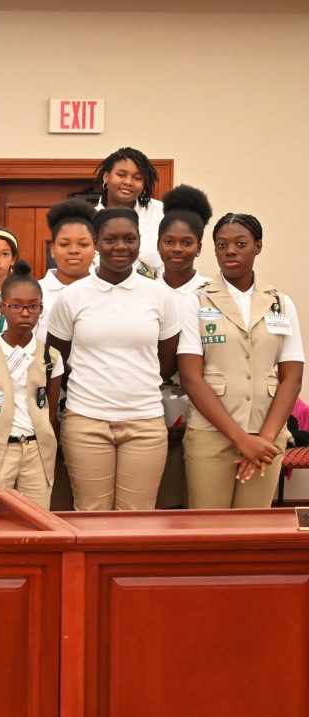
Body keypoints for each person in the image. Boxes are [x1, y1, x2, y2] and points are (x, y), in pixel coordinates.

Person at [46, 207, 181, 511]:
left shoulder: (159, 296)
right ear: (96, 242)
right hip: (86, 421)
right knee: (91, 516)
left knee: (137, 520)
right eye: (110, 239)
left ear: (138, 241)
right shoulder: (73, 296)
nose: (121, 246)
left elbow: (167, 362)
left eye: (129, 239)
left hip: (145, 423)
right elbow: (56, 360)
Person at [179, 212, 304, 509]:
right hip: (211, 434)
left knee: (253, 530)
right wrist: (241, 439)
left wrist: (264, 439)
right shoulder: (196, 300)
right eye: (221, 245)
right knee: (208, 532)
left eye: (240, 243)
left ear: (258, 246)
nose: (230, 251)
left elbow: (292, 377)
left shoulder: (280, 303)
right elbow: (191, 377)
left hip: (266, 434)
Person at [0, 261, 62, 512]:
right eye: (16, 306)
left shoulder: (50, 357)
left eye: (33, 306)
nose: (25, 313)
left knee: (37, 522)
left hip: (35, 451)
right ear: (2, 308)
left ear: (41, 309)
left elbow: (50, 412)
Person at [155, 185, 214, 508]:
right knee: (160, 499)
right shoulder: (145, 289)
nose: (177, 249)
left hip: (203, 404)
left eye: (187, 242)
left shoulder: (211, 293)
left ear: (200, 247)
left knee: (198, 498)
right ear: (159, 245)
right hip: (150, 405)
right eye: (170, 242)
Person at [93, 147, 164, 277]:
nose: (128, 182)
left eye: (137, 178)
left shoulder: (161, 213)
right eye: (121, 175)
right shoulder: (89, 218)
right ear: (106, 177)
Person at [36, 200, 97, 343]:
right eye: (64, 244)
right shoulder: (35, 292)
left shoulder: (106, 291)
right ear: (52, 250)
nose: (74, 251)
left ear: (95, 248)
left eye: (83, 244)